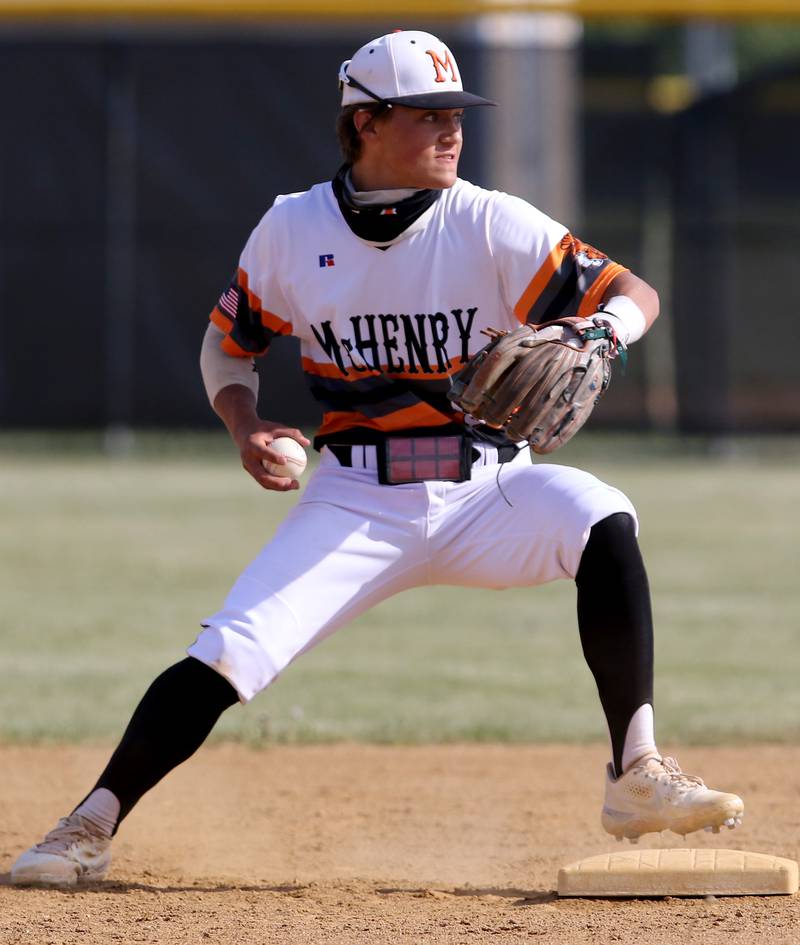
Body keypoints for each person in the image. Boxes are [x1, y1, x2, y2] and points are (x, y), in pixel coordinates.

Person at [11, 29, 743, 887]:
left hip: (488, 490)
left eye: (457, 113)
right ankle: (88, 822)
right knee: (231, 651)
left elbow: (632, 292)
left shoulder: (491, 220)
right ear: (362, 123)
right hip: (356, 496)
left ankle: (637, 772)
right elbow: (228, 345)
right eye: (427, 114)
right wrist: (245, 425)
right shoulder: (293, 228)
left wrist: (600, 330)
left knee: (600, 514)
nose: (452, 130)